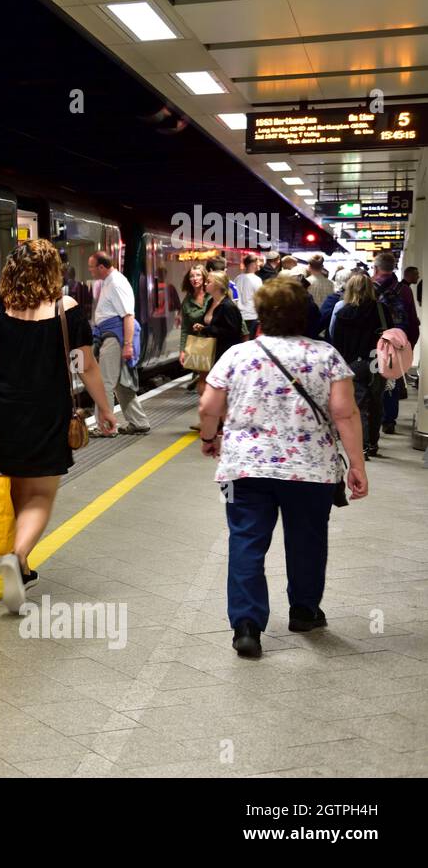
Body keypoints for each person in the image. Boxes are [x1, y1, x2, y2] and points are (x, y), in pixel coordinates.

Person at [198, 278, 368, 658]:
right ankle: (305, 611)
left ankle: (246, 625)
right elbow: (345, 412)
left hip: (243, 469)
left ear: (261, 314)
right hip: (311, 471)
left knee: (245, 540)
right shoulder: (326, 356)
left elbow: (208, 408)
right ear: (303, 314)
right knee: (308, 539)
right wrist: (356, 464)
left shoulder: (238, 355)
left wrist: (210, 439)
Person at [0, 239, 117, 612]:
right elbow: (87, 367)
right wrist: (105, 407)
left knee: (17, 488)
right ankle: (17, 556)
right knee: (40, 495)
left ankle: (23, 565)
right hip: (47, 413)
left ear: (11, 271)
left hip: (0, 414)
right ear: (54, 272)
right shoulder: (67, 311)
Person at [85, 252, 148, 436]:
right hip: (110, 336)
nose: (90, 270)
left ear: (101, 267)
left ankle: (105, 427)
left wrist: (127, 344)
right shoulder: (107, 282)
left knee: (104, 381)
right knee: (121, 384)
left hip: (115, 337)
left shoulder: (117, 283)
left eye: (91, 267)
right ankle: (139, 422)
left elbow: (128, 315)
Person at [330, 274, 386, 459]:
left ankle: (362, 444)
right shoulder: (381, 310)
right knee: (376, 401)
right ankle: (373, 443)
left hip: (352, 363)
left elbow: (335, 339)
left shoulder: (343, 313)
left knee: (358, 404)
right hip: (376, 362)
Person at [372, 254, 419, 434]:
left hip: (374, 342)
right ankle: (389, 420)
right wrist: (410, 345)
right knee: (392, 379)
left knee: (373, 380)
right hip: (397, 344)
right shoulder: (403, 290)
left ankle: (373, 419)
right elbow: (413, 321)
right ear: (394, 268)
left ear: (376, 268)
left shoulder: (369, 287)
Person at [179, 263, 210, 427]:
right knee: (204, 380)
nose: (194, 279)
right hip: (198, 344)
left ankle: (218, 418)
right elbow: (185, 328)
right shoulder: (188, 301)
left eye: (198, 275)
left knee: (216, 382)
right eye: (191, 276)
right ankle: (205, 419)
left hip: (215, 341)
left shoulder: (212, 296)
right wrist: (182, 350)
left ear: (204, 277)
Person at [191, 271, 244, 364]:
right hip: (212, 352)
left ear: (218, 285)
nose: (205, 283)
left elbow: (232, 332)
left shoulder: (227, 306)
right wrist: (202, 327)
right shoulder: (211, 302)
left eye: (208, 281)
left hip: (225, 356)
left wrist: (206, 329)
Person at [234, 254, 263, 337]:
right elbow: (259, 298)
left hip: (239, 316)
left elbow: (234, 297)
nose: (259, 265)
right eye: (257, 263)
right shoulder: (257, 280)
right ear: (253, 264)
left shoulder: (237, 278)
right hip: (252, 315)